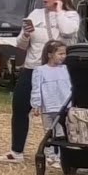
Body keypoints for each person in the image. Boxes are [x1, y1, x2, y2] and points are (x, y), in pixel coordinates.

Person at [0, 0, 82, 164]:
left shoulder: (70, 15)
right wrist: (26, 34)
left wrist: (59, 10)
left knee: (56, 112)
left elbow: (67, 31)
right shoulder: (35, 14)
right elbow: (21, 44)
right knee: (20, 107)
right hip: (32, 67)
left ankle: (59, 154)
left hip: (56, 71)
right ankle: (16, 151)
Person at [31, 40, 72, 168]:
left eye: (64, 54)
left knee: (61, 133)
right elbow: (36, 88)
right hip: (48, 107)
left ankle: (60, 157)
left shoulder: (66, 69)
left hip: (63, 107)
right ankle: (49, 156)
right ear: (50, 55)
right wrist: (36, 104)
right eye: (60, 54)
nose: (63, 56)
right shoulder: (40, 70)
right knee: (48, 132)